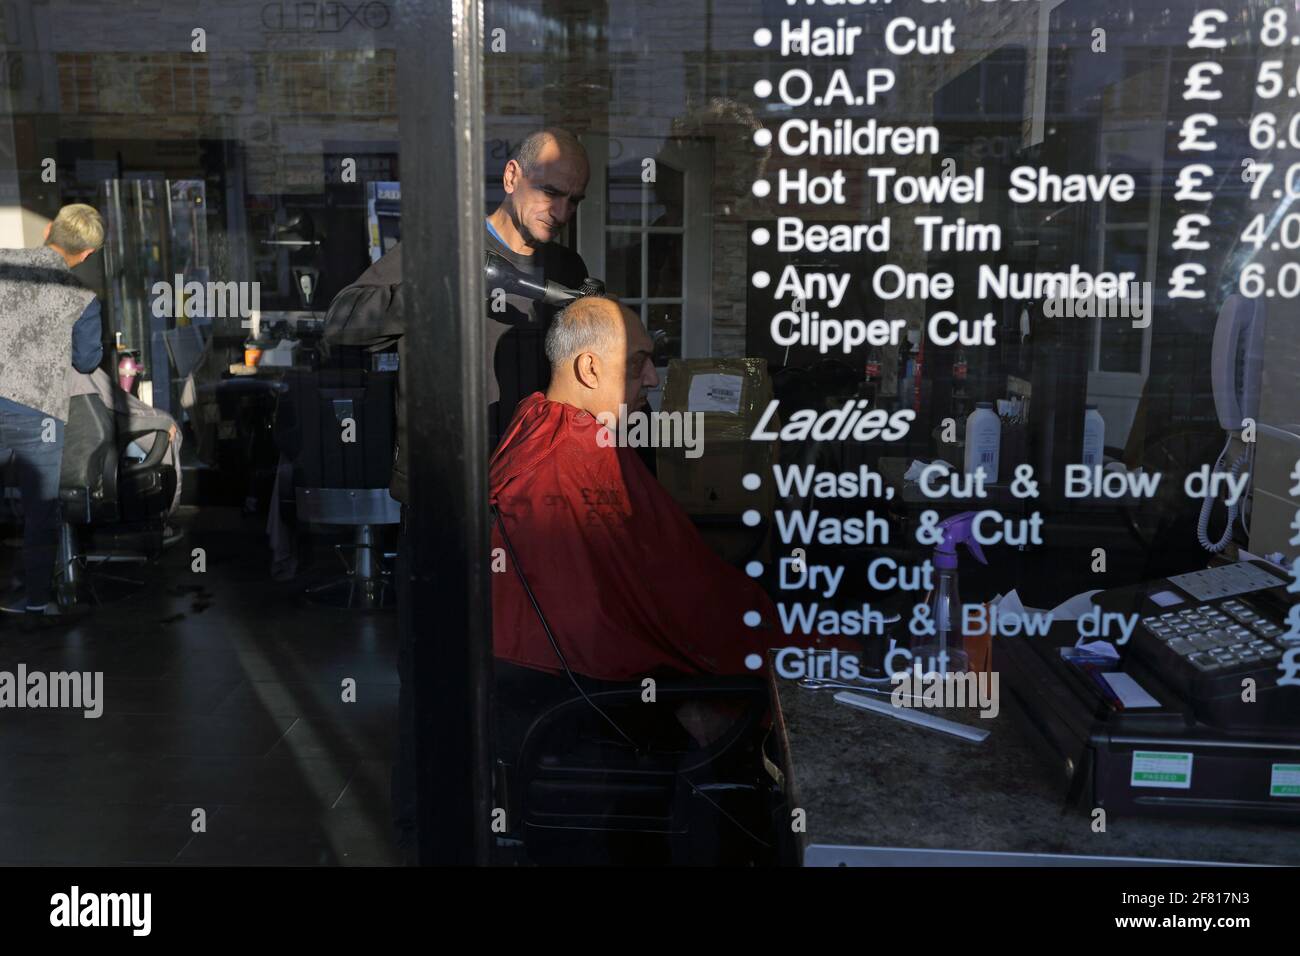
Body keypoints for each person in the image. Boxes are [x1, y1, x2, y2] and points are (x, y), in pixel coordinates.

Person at [320, 127, 591, 861]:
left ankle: (515, 828)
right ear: (510, 176)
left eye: (572, 199)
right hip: (449, 509)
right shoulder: (440, 252)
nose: (560, 209)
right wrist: (458, 285)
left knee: (528, 678)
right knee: (435, 687)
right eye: (550, 192)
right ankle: (424, 842)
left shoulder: (565, 263)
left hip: (536, 512)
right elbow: (343, 320)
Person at [490, 296, 779, 681]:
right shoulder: (577, 456)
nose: (652, 378)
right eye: (637, 362)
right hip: (608, 687)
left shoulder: (535, 418)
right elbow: (645, 614)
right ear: (590, 369)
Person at [0, 204, 105, 617]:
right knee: (40, 513)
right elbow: (86, 361)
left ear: (48, 231)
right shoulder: (81, 297)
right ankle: (36, 603)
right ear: (86, 254)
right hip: (38, 414)